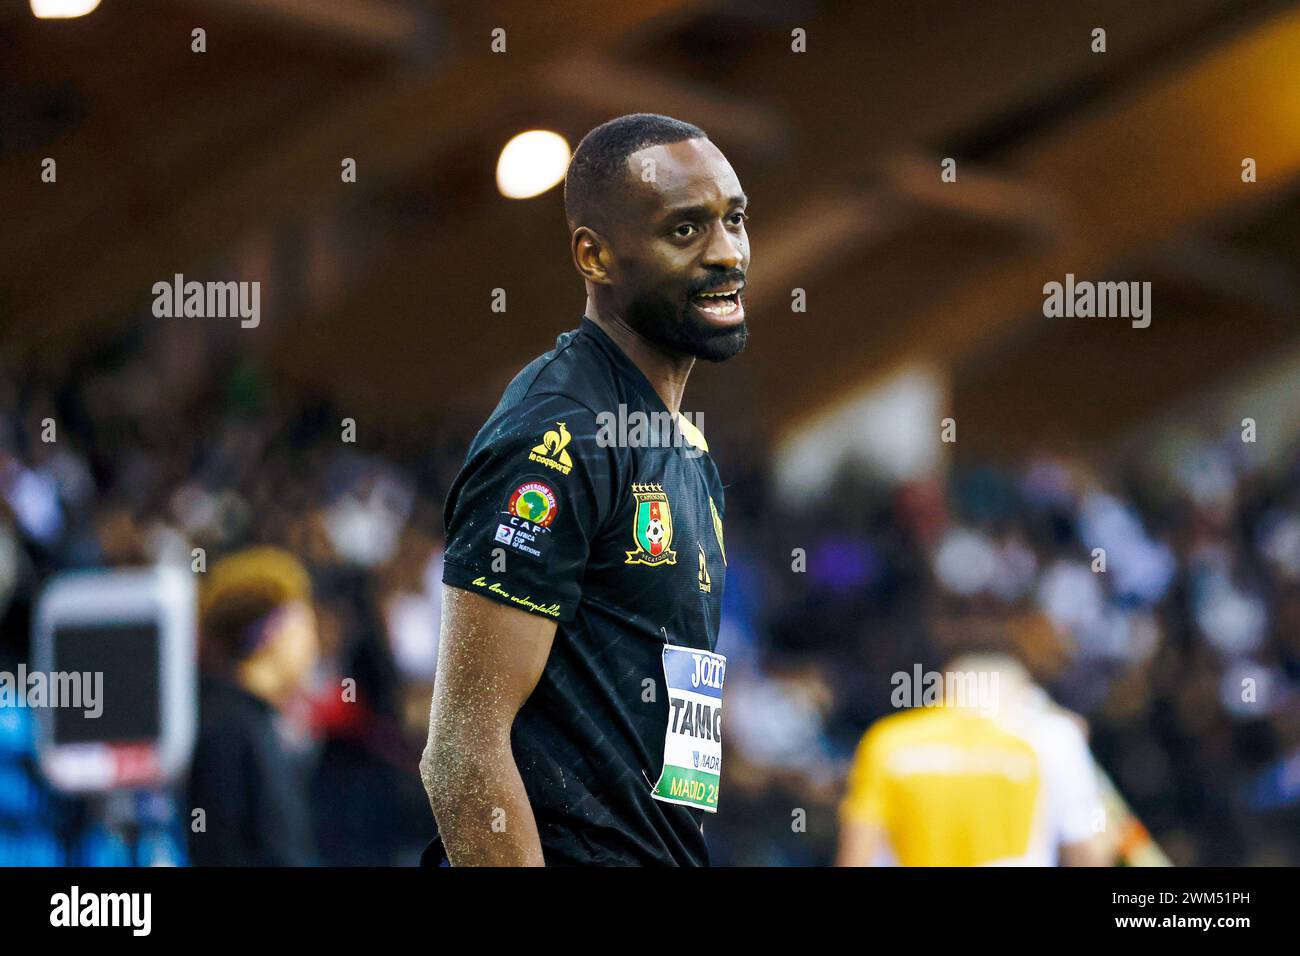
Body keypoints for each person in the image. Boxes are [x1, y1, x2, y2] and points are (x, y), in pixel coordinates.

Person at [420, 113, 750, 866]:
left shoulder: (684, 448)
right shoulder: (559, 435)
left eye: (734, 219)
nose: (727, 253)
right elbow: (462, 753)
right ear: (593, 256)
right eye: (686, 230)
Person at [836, 653, 1112, 866]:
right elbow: (1087, 854)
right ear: (1019, 695)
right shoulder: (1047, 740)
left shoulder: (890, 739)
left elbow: (856, 855)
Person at [187, 546, 320, 865]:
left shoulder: (255, 720)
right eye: (303, 623)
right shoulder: (228, 726)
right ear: (269, 631)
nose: (313, 640)